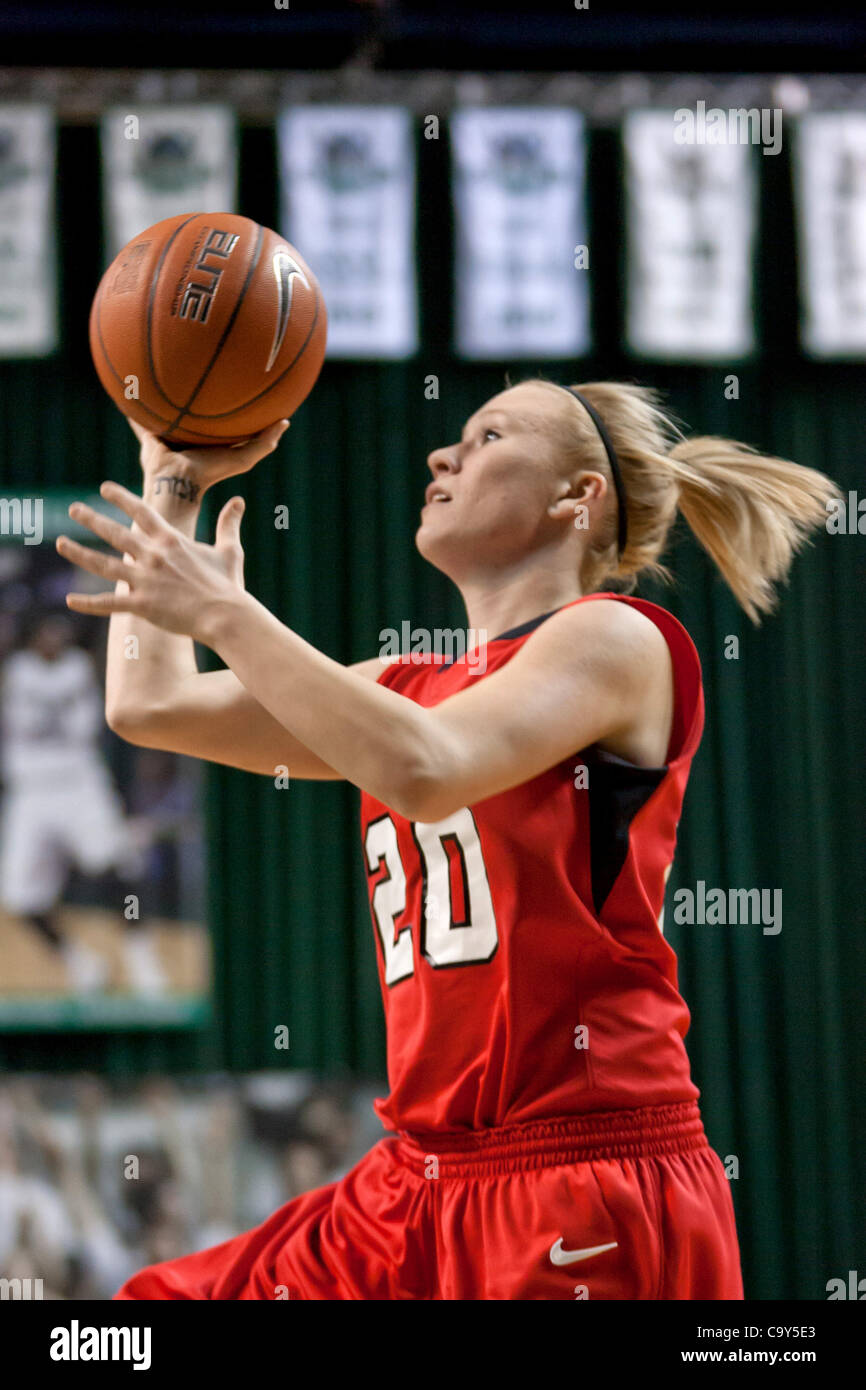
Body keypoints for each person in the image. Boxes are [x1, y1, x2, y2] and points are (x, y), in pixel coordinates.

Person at [57, 381, 838, 1300]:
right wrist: (172, 486)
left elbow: (428, 765)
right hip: (416, 1182)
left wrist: (230, 617)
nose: (442, 456)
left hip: (584, 1179)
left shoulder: (618, 639)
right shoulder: (404, 682)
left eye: (488, 437)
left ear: (575, 499)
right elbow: (152, 706)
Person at [0, 613, 165, 995]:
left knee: (119, 871)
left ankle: (143, 961)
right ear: (31, 634)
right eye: (47, 629)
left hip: (80, 784)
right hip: (30, 792)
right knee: (19, 897)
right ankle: (81, 963)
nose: (54, 637)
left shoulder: (82, 666)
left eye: (61, 630)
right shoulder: (14, 668)